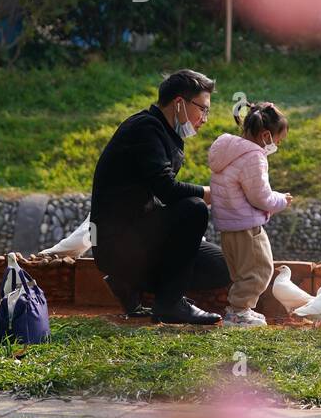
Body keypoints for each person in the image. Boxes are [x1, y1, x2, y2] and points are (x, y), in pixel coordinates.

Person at [90, 70, 229, 325]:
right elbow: (167, 188)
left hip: (142, 234)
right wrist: (210, 194)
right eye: (203, 109)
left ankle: (129, 284)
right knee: (194, 208)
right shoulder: (145, 129)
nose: (205, 119)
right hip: (117, 242)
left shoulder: (167, 132)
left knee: (223, 267)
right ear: (179, 103)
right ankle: (169, 304)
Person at [207, 101, 293, 327]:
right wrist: (281, 200)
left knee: (240, 272)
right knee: (260, 269)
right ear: (266, 135)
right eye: (278, 141)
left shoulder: (227, 150)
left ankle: (240, 309)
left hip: (228, 226)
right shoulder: (254, 156)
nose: (277, 146)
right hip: (247, 226)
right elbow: (260, 197)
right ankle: (238, 313)